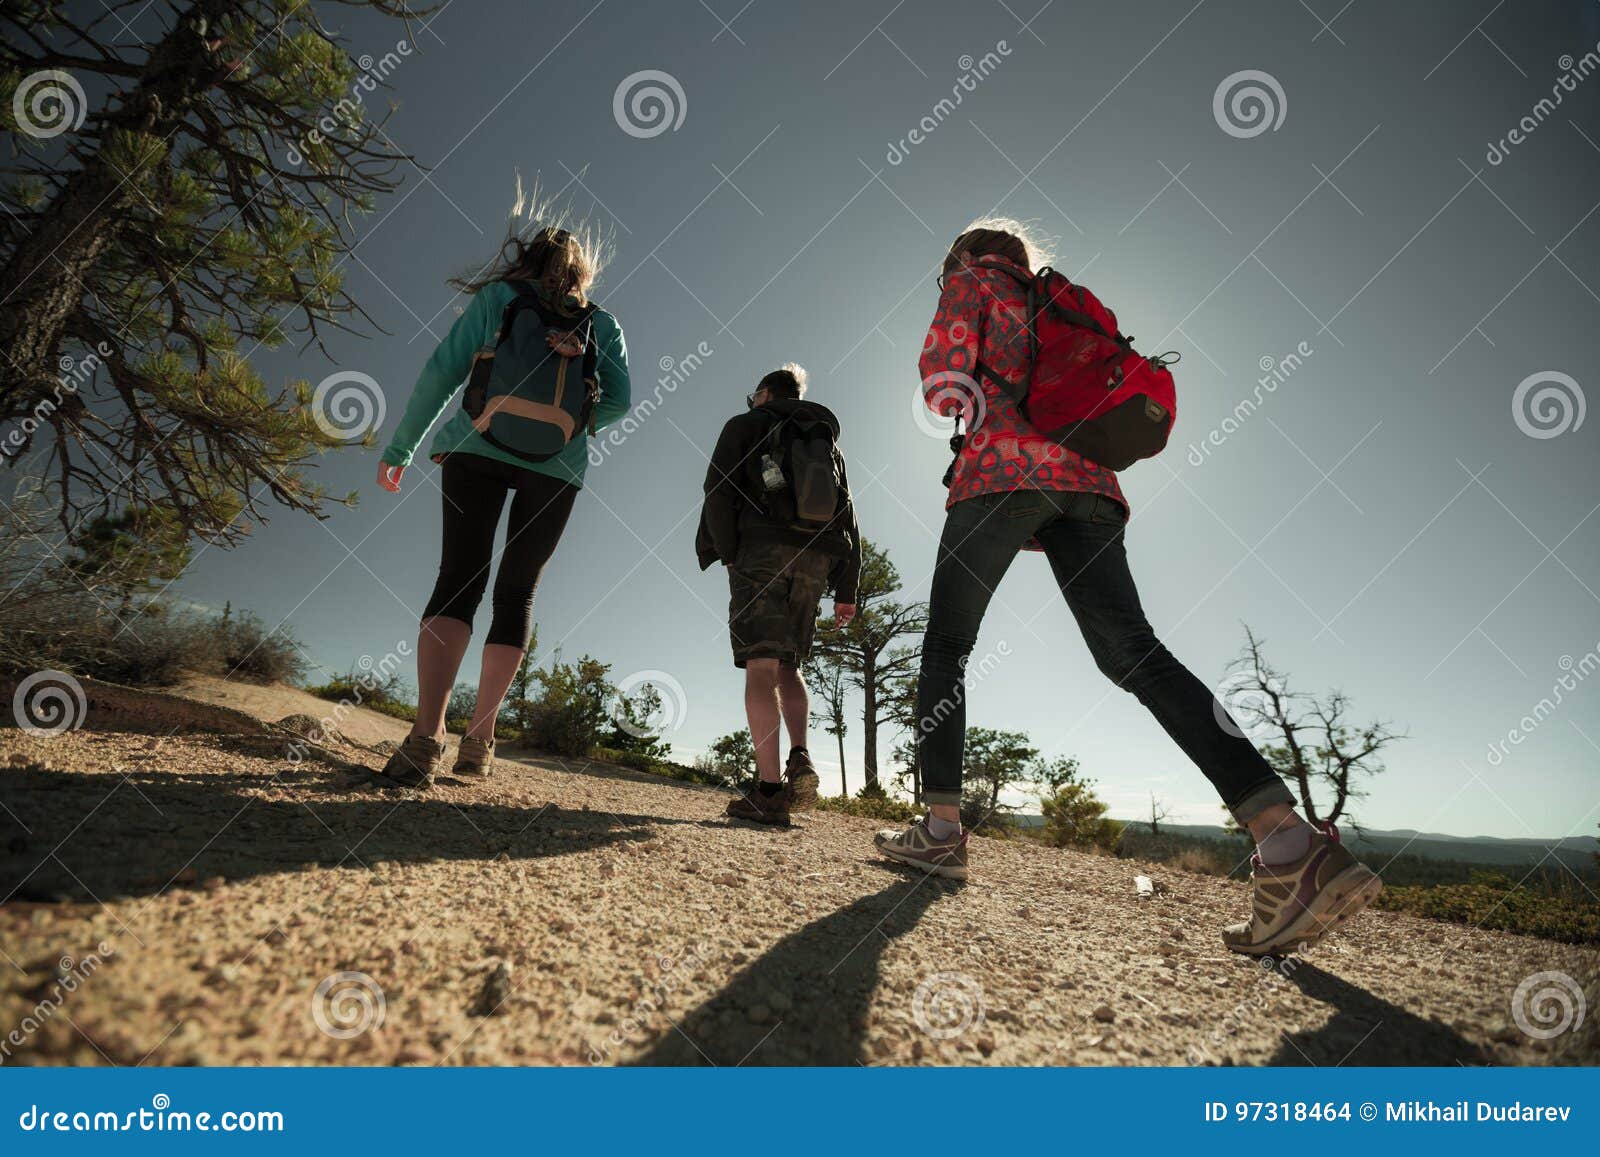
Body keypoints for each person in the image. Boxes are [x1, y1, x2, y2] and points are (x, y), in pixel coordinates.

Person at [872, 217, 1381, 956]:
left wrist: (964, 387)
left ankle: (941, 831)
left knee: (948, 645)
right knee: (1135, 654)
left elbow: (942, 384)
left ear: (966, 255)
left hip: (1002, 473)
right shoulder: (1070, 299)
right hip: (1092, 485)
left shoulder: (971, 281)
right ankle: (1287, 841)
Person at [374, 204, 629, 788]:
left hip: (476, 446)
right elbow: (620, 401)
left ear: (530, 259)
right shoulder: (602, 323)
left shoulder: (497, 300)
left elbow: (444, 371)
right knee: (517, 594)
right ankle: (481, 738)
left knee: (458, 578)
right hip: (558, 467)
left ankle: (424, 738)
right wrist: (569, 425)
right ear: (581, 274)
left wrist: (403, 448)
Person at [697, 364, 861, 825]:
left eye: (755, 393)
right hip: (818, 558)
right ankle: (800, 755)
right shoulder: (825, 440)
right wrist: (846, 588)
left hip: (762, 551)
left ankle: (768, 791)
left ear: (765, 393)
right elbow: (848, 511)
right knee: (790, 663)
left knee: (760, 665)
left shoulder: (746, 424)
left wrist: (729, 552)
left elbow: (716, 489)